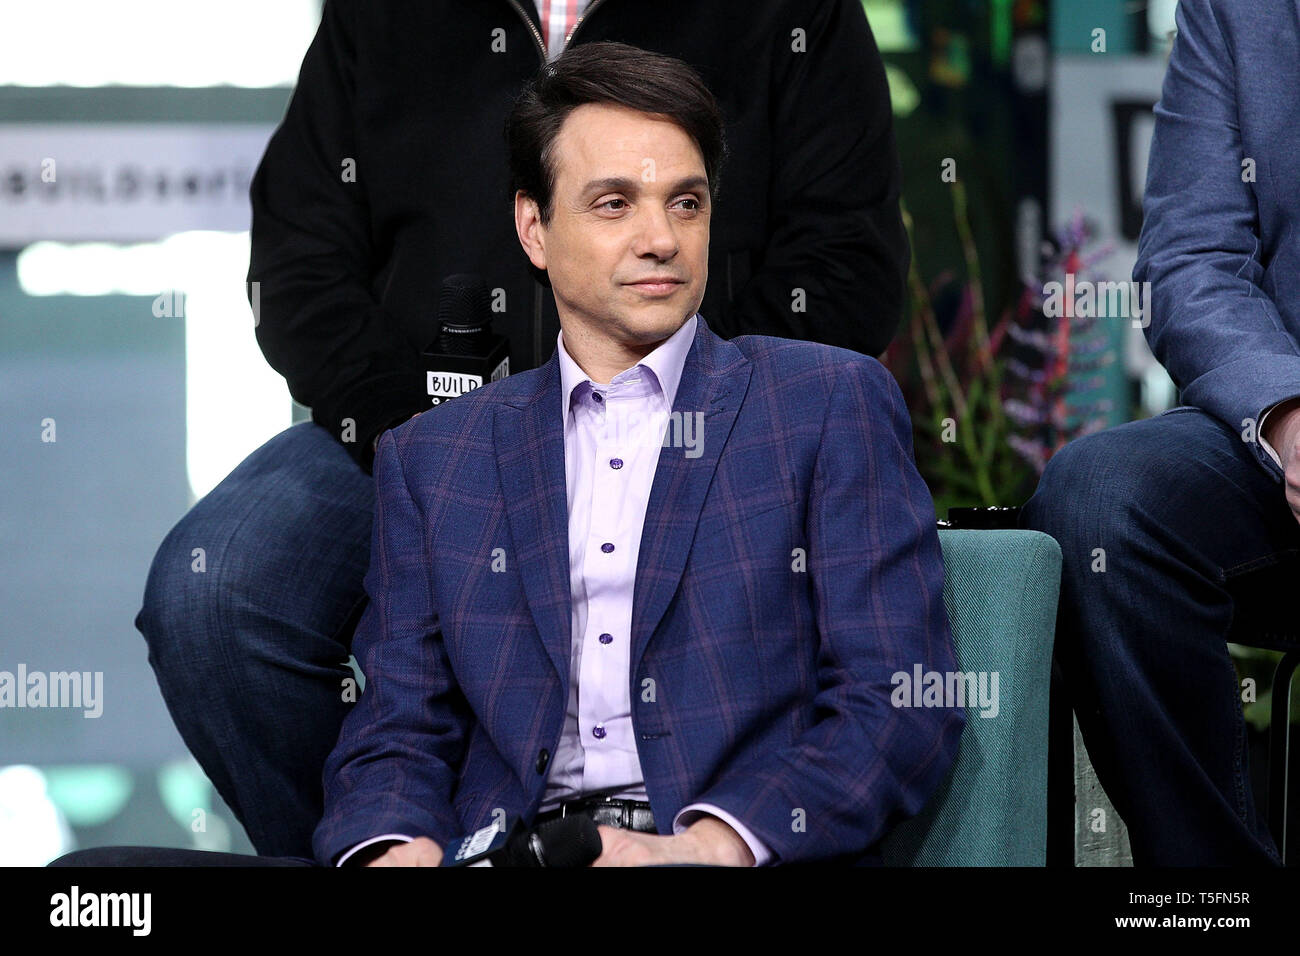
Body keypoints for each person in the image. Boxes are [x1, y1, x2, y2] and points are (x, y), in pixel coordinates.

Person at [58, 40, 961, 868]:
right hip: (504, 856)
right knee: (95, 886)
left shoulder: (822, 403)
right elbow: (396, 734)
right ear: (533, 230)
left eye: (685, 202)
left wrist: (717, 845)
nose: (660, 239)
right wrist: (393, 844)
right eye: (614, 203)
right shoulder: (437, 457)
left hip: (713, 852)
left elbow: (898, 704)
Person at [1019, 0, 1298, 865]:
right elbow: (1191, 259)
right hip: (1284, 429)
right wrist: (1286, 417)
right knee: (1103, 503)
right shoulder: (1244, 11)